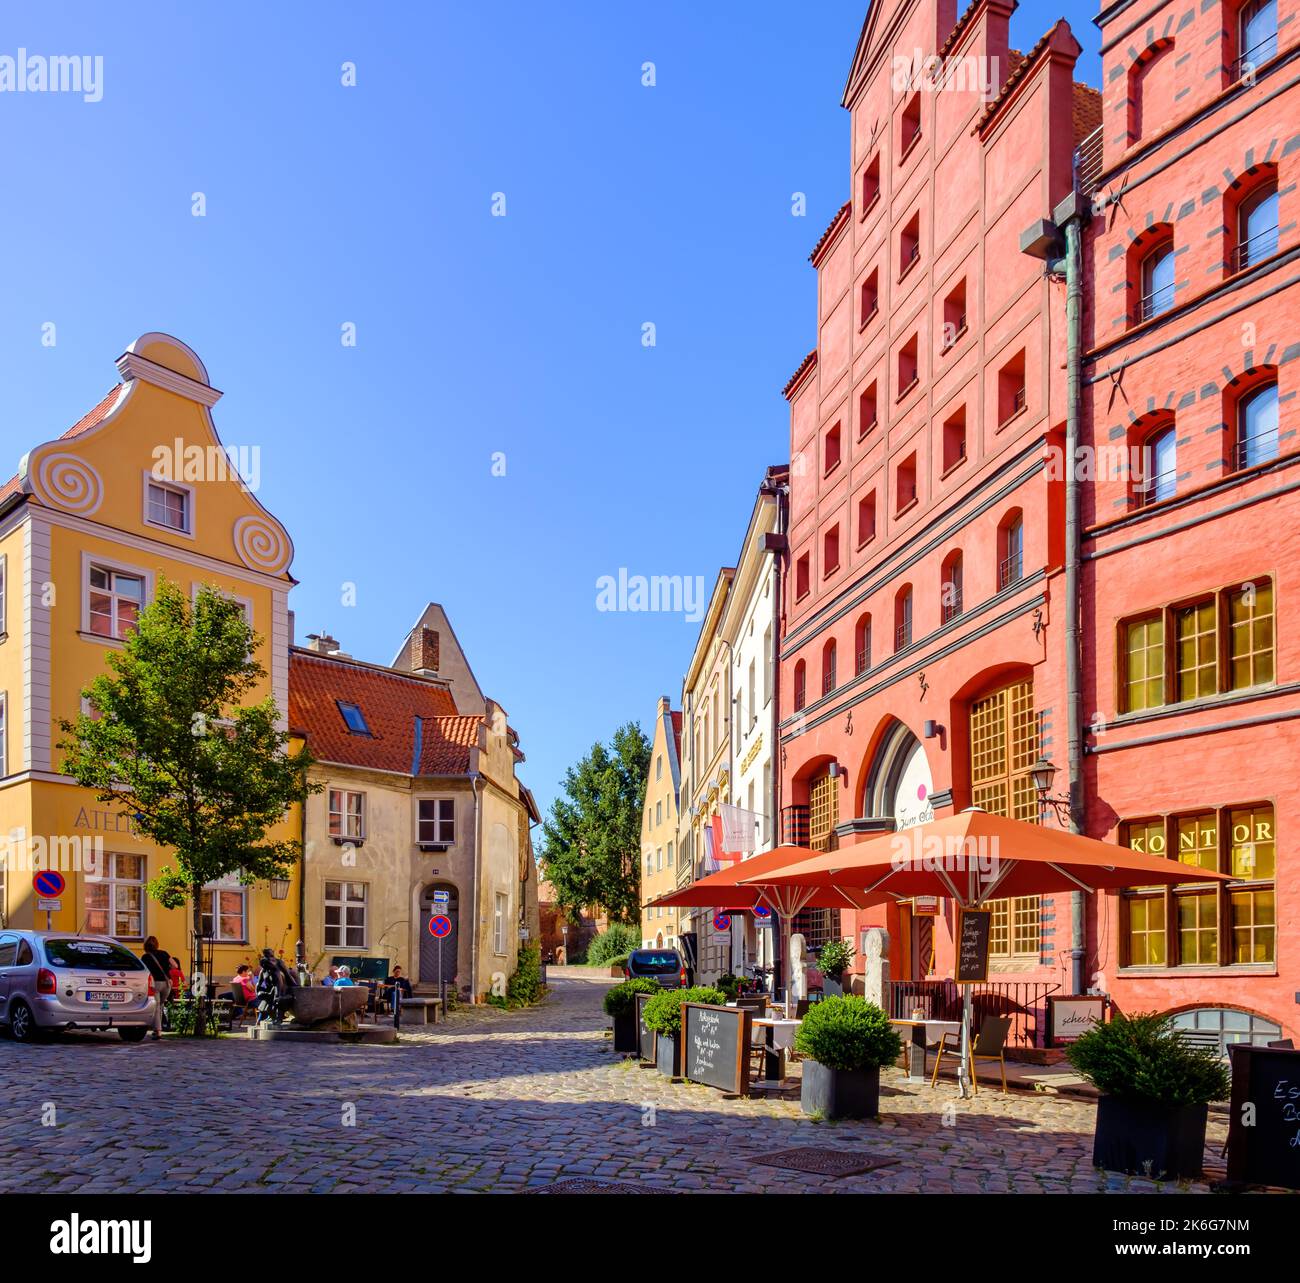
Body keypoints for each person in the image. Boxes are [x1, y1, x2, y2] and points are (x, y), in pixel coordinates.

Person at [141, 937, 171, 1040]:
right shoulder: (164, 953)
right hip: (167, 984)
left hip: (155, 984)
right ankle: (157, 1029)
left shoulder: (145, 957)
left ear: (146, 946)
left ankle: (158, 1031)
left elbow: (143, 971)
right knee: (160, 1005)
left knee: (157, 1007)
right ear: (157, 944)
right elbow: (175, 965)